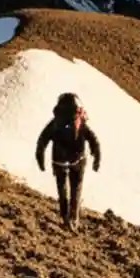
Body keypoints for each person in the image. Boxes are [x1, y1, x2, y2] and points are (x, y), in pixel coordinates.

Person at [35, 93, 100, 229]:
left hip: (59, 161)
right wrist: (96, 158)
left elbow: (42, 141)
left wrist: (40, 158)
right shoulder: (80, 122)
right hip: (78, 160)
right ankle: (73, 219)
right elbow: (93, 140)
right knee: (76, 190)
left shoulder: (55, 123)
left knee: (62, 189)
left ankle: (65, 217)